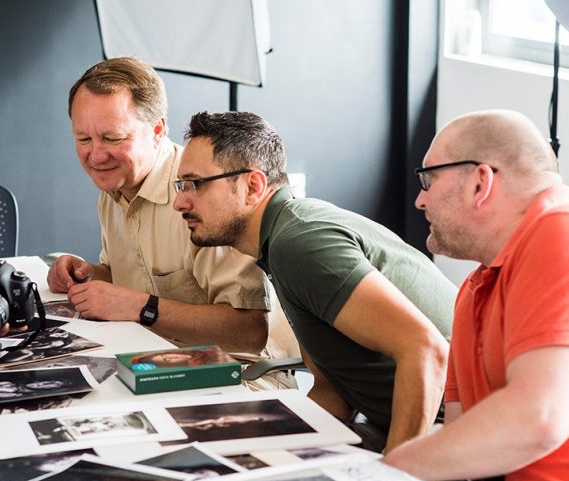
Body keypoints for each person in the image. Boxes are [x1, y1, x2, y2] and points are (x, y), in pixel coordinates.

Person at [172, 111, 455, 453]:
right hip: (390, 425)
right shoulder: (280, 240)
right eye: (180, 185)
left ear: (253, 186)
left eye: (196, 184)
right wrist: (278, 453)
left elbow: (426, 349)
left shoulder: (299, 243)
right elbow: (331, 391)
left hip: (449, 432)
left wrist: (397, 473)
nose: (179, 202)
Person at [46, 57, 298, 388]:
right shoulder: (115, 185)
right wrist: (90, 274)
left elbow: (249, 332)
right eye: (83, 139)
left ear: (157, 131)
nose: (95, 156)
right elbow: (136, 279)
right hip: (154, 358)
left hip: (241, 375)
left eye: (112, 138)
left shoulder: (207, 194)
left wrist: (142, 307)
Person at [383, 110, 569, 481]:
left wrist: (392, 470)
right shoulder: (473, 289)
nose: (419, 200)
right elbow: (461, 434)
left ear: (480, 183)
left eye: (428, 180)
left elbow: (539, 418)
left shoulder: (559, 231)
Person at [130, 346, 235, 368]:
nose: (172, 357)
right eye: (167, 360)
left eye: (164, 355)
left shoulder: (195, 349)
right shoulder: (201, 364)